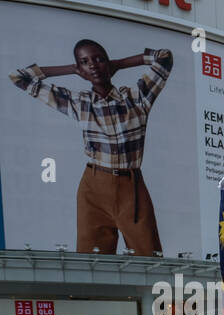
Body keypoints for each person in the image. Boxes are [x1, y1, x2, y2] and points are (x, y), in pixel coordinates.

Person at [9, 42, 172, 256]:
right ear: (80, 69)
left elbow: (164, 57)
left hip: (131, 188)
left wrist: (119, 64)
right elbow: (19, 77)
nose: (92, 65)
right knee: (92, 262)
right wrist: (73, 69)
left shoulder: (137, 98)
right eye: (84, 62)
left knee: (150, 257)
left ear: (108, 61)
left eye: (98, 59)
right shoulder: (79, 102)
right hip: (93, 188)